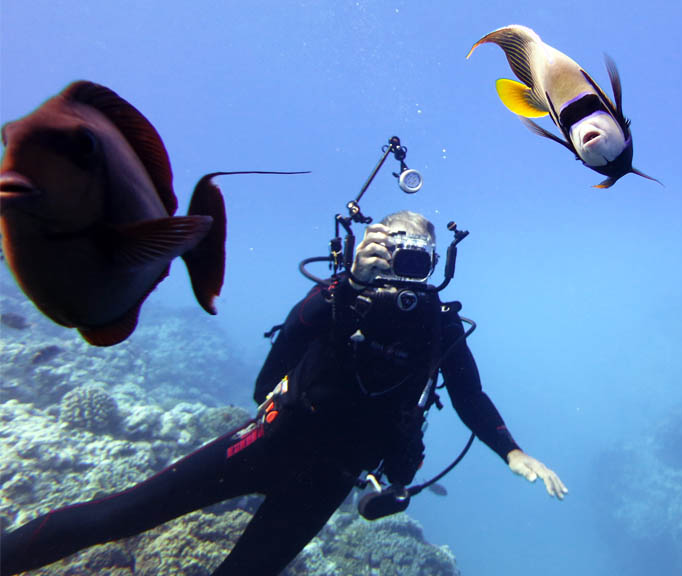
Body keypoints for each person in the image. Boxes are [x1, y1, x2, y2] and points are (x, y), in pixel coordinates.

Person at [1, 210, 567, 576]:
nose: (408, 265)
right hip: (269, 441)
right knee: (119, 516)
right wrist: (349, 283)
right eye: (397, 251)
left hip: (331, 480)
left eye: (420, 255)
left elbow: (471, 395)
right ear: (374, 248)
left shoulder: (438, 325)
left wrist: (513, 451)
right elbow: (276, 363)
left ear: (436, 261)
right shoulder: (339, 295)